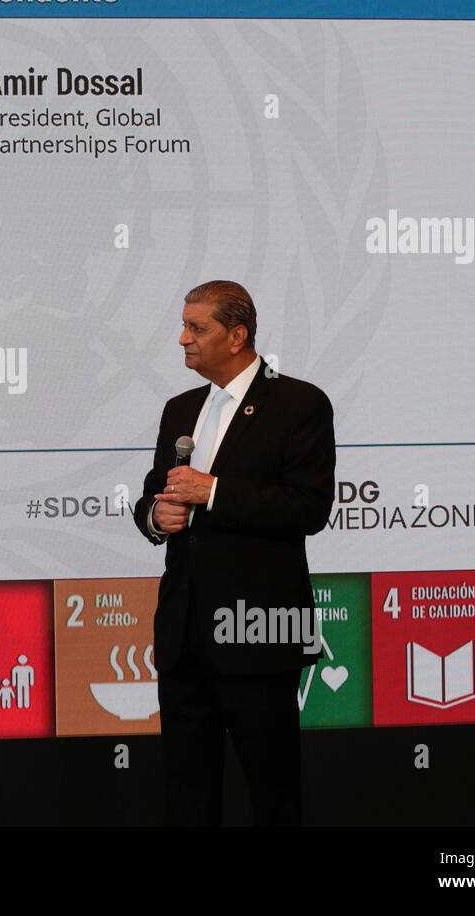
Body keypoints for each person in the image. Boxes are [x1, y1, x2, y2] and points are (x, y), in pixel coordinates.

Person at [133, 280, 335, 826]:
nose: (182, 339)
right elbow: (155, 492)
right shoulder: (180, 408)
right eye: (184, 325)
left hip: (260, 628)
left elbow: (309, 507)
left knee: (272, 792)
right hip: (183, 632)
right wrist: (156, 516)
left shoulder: (300, 403)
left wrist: (213, 491)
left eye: (197, 329)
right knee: (187, 793)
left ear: (238, 335)